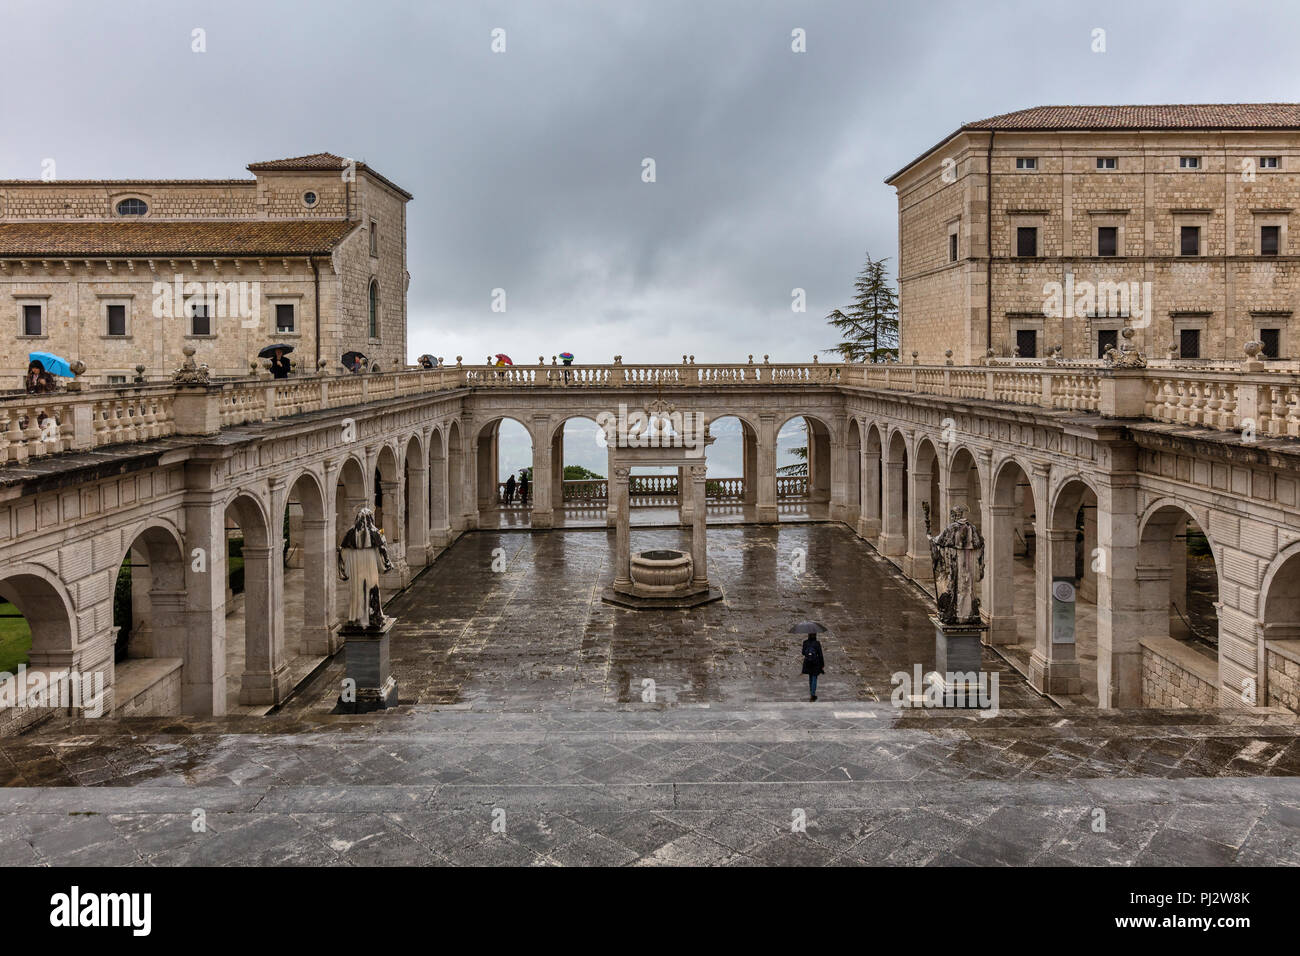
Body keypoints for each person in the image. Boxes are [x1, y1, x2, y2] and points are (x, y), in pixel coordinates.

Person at [801, 634, 825, 701]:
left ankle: (811, 690)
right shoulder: (817, 643)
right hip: (815, 662)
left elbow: (803, 653)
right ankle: (813, 694)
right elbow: (820, 655)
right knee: (814, 677)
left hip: (807, 662)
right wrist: (822, 664)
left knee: (810, 675)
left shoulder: (805, 642)